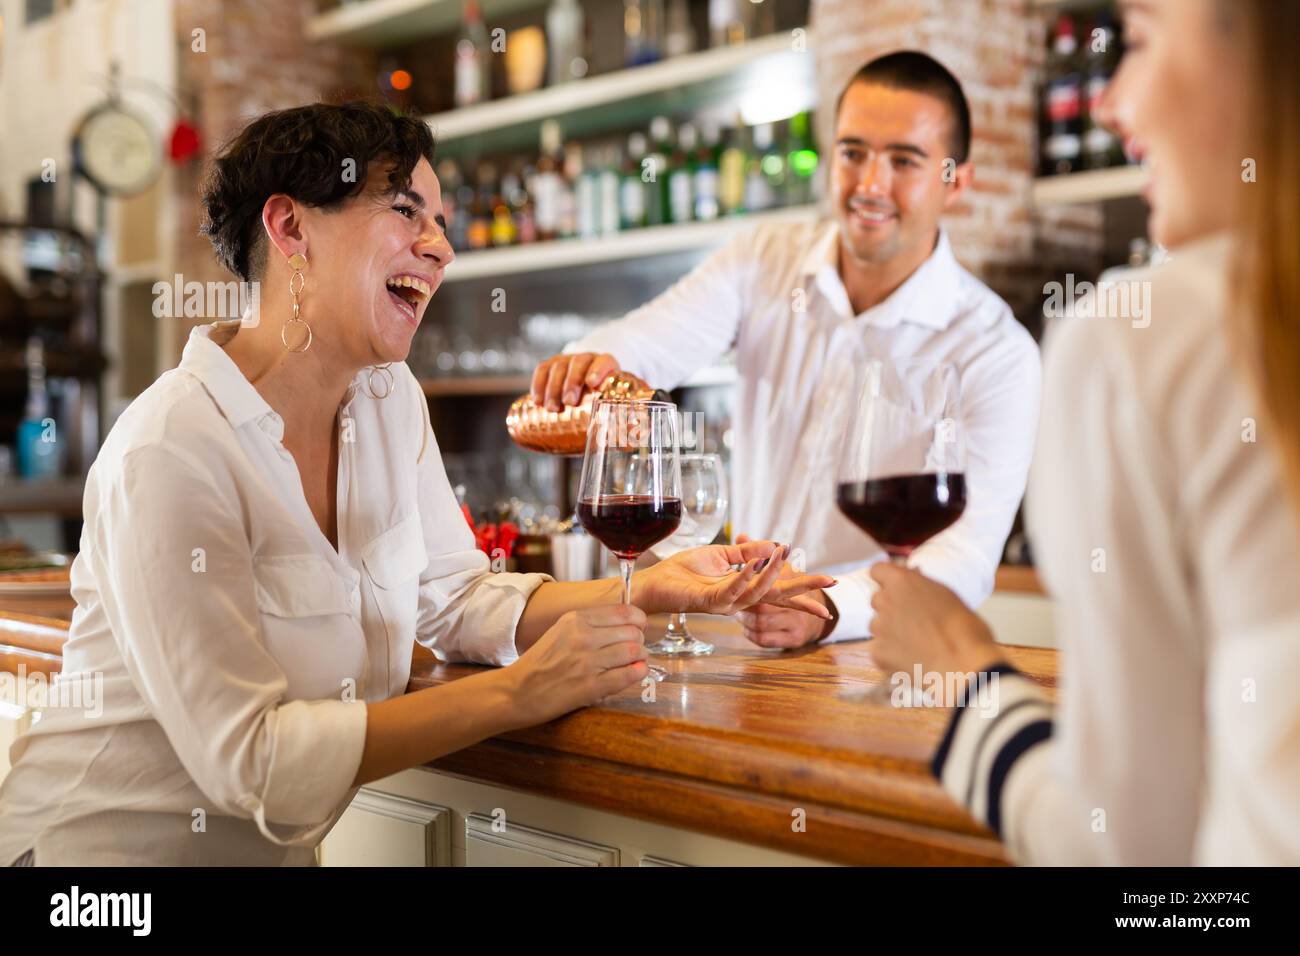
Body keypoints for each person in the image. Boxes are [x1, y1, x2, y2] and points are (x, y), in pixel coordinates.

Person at [0, 102, 831, 866]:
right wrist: (519, 695)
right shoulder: (172, 448)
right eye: (406, 212)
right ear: (290, 226)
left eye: (442, 221)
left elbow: (458, 597)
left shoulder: (389, 399)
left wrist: (650, 590)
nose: (442, 246)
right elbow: (251, 762)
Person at [868, 0, 1300, 864]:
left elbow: (1134, 862)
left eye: (1138, 41)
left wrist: (966, 675)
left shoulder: (1144, 337)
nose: (1107, 103)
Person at [530, 52, 1041, 651]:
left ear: (956, 181)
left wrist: (829, 605)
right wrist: (596, 359)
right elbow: (655, 336)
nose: (870, 184)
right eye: (853, 153)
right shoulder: (762, 260)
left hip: (870, 651)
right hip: (740, 642)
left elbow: (966, 556)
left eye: (904, 160)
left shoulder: (996, 350)